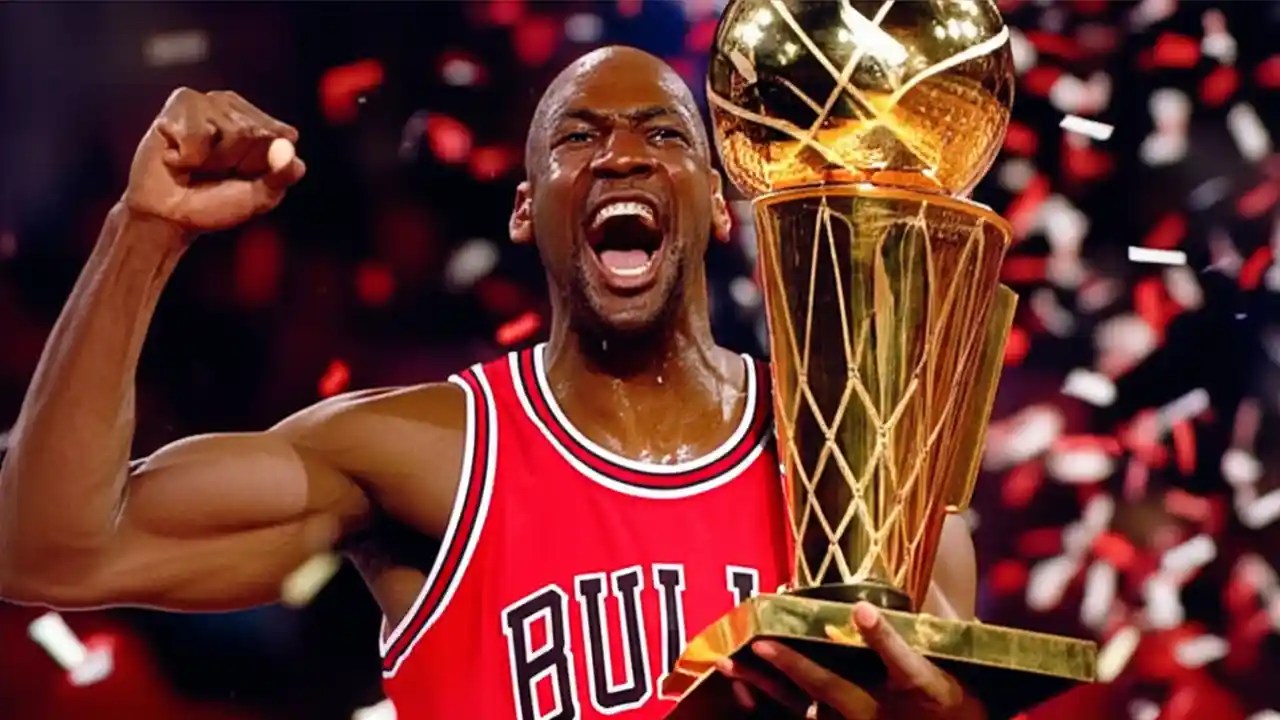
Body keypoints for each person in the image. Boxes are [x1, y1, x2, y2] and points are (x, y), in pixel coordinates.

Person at [0, 46, 986, 719]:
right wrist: (144, 232)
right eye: (577, 137)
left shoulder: (870, 478)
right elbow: (48, 553)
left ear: (720, 209)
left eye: (663, 133)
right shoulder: (421, 453)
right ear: (526, 210)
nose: (621, 155)